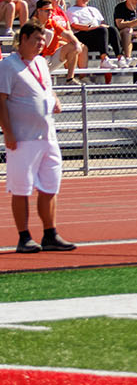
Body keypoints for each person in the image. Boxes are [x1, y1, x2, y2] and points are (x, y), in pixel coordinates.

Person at [0, 22, 75, 253]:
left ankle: (50, 234)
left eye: (43, 40)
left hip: (48, 136)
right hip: (23, 138)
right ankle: (24, 237)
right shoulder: (8, 66)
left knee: (50, 186)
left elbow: (46, 87)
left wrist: (54, 99)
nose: (41, 43)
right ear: (22, 39)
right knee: (21, 188)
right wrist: (8, 132)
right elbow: (1, 100)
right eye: (36, 39)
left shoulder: (41, 62)